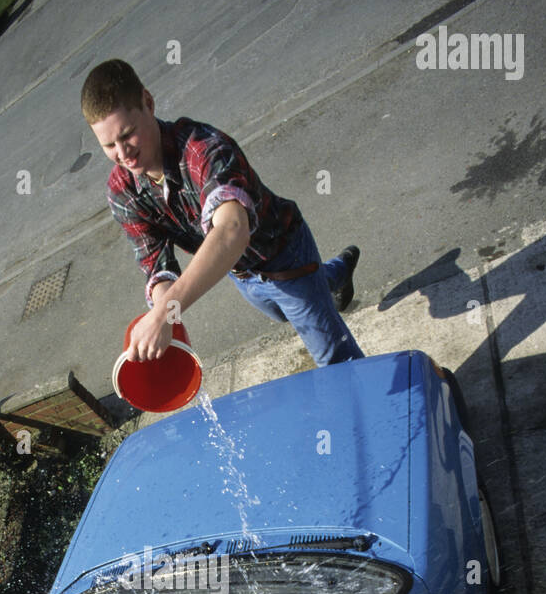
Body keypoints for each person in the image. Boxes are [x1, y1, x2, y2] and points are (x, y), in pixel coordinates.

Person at [81, 58, 363, 368]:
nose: (123, 155)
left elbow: (231, 231)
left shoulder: (204, 148)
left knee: (338, 363)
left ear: (148, 103)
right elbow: (155, 262)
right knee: (284, 310)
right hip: (239, 272)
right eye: (109, 145)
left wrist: (163, 314)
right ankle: (335, 273)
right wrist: (167, 318)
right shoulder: (122, 191)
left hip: (285, 255)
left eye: (127, 135)